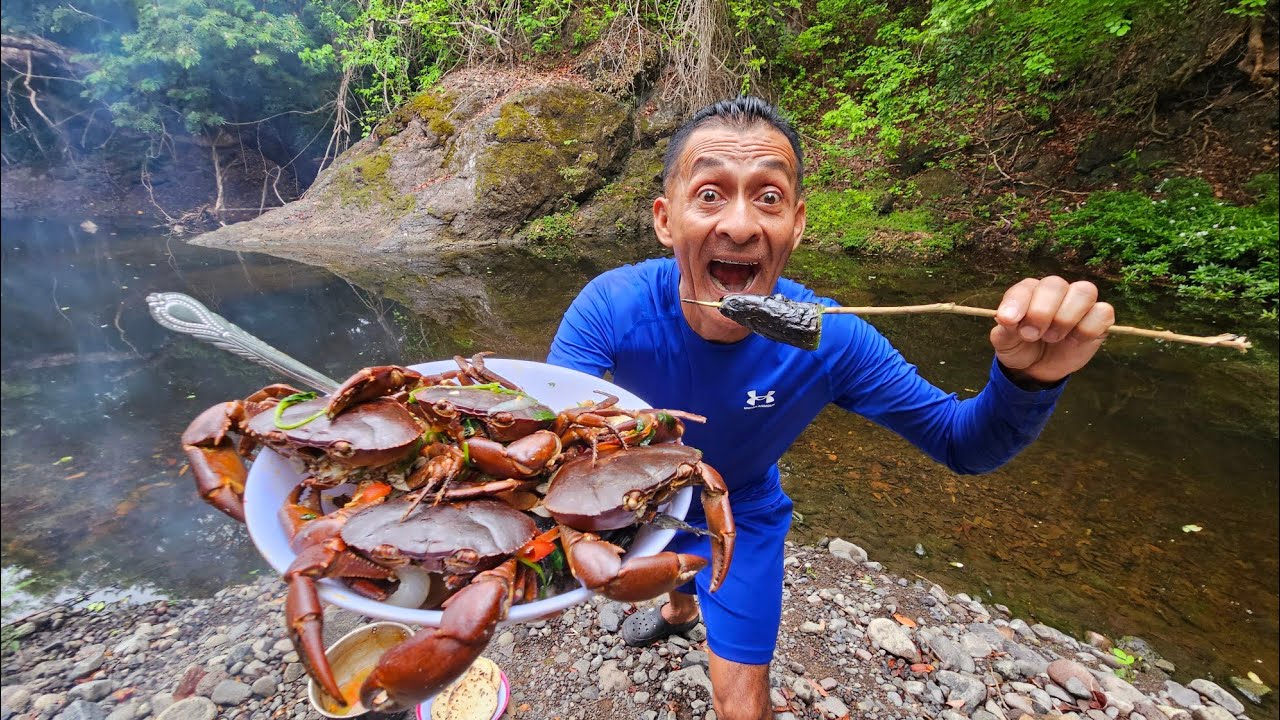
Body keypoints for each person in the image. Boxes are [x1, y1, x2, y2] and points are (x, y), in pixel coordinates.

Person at [546, 96, 1114, 720]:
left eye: (768, 197)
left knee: (742, 704)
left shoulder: (831, 337)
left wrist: (1026, 380)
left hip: (742, 506)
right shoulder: (610, 307)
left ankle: (696, 598)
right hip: (643, 496)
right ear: (665, 219)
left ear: (797, 223)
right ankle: (680, 607)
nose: (739, 225)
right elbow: (555, 443)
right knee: (673, 563)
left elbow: (964, 443)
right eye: (709, 194)